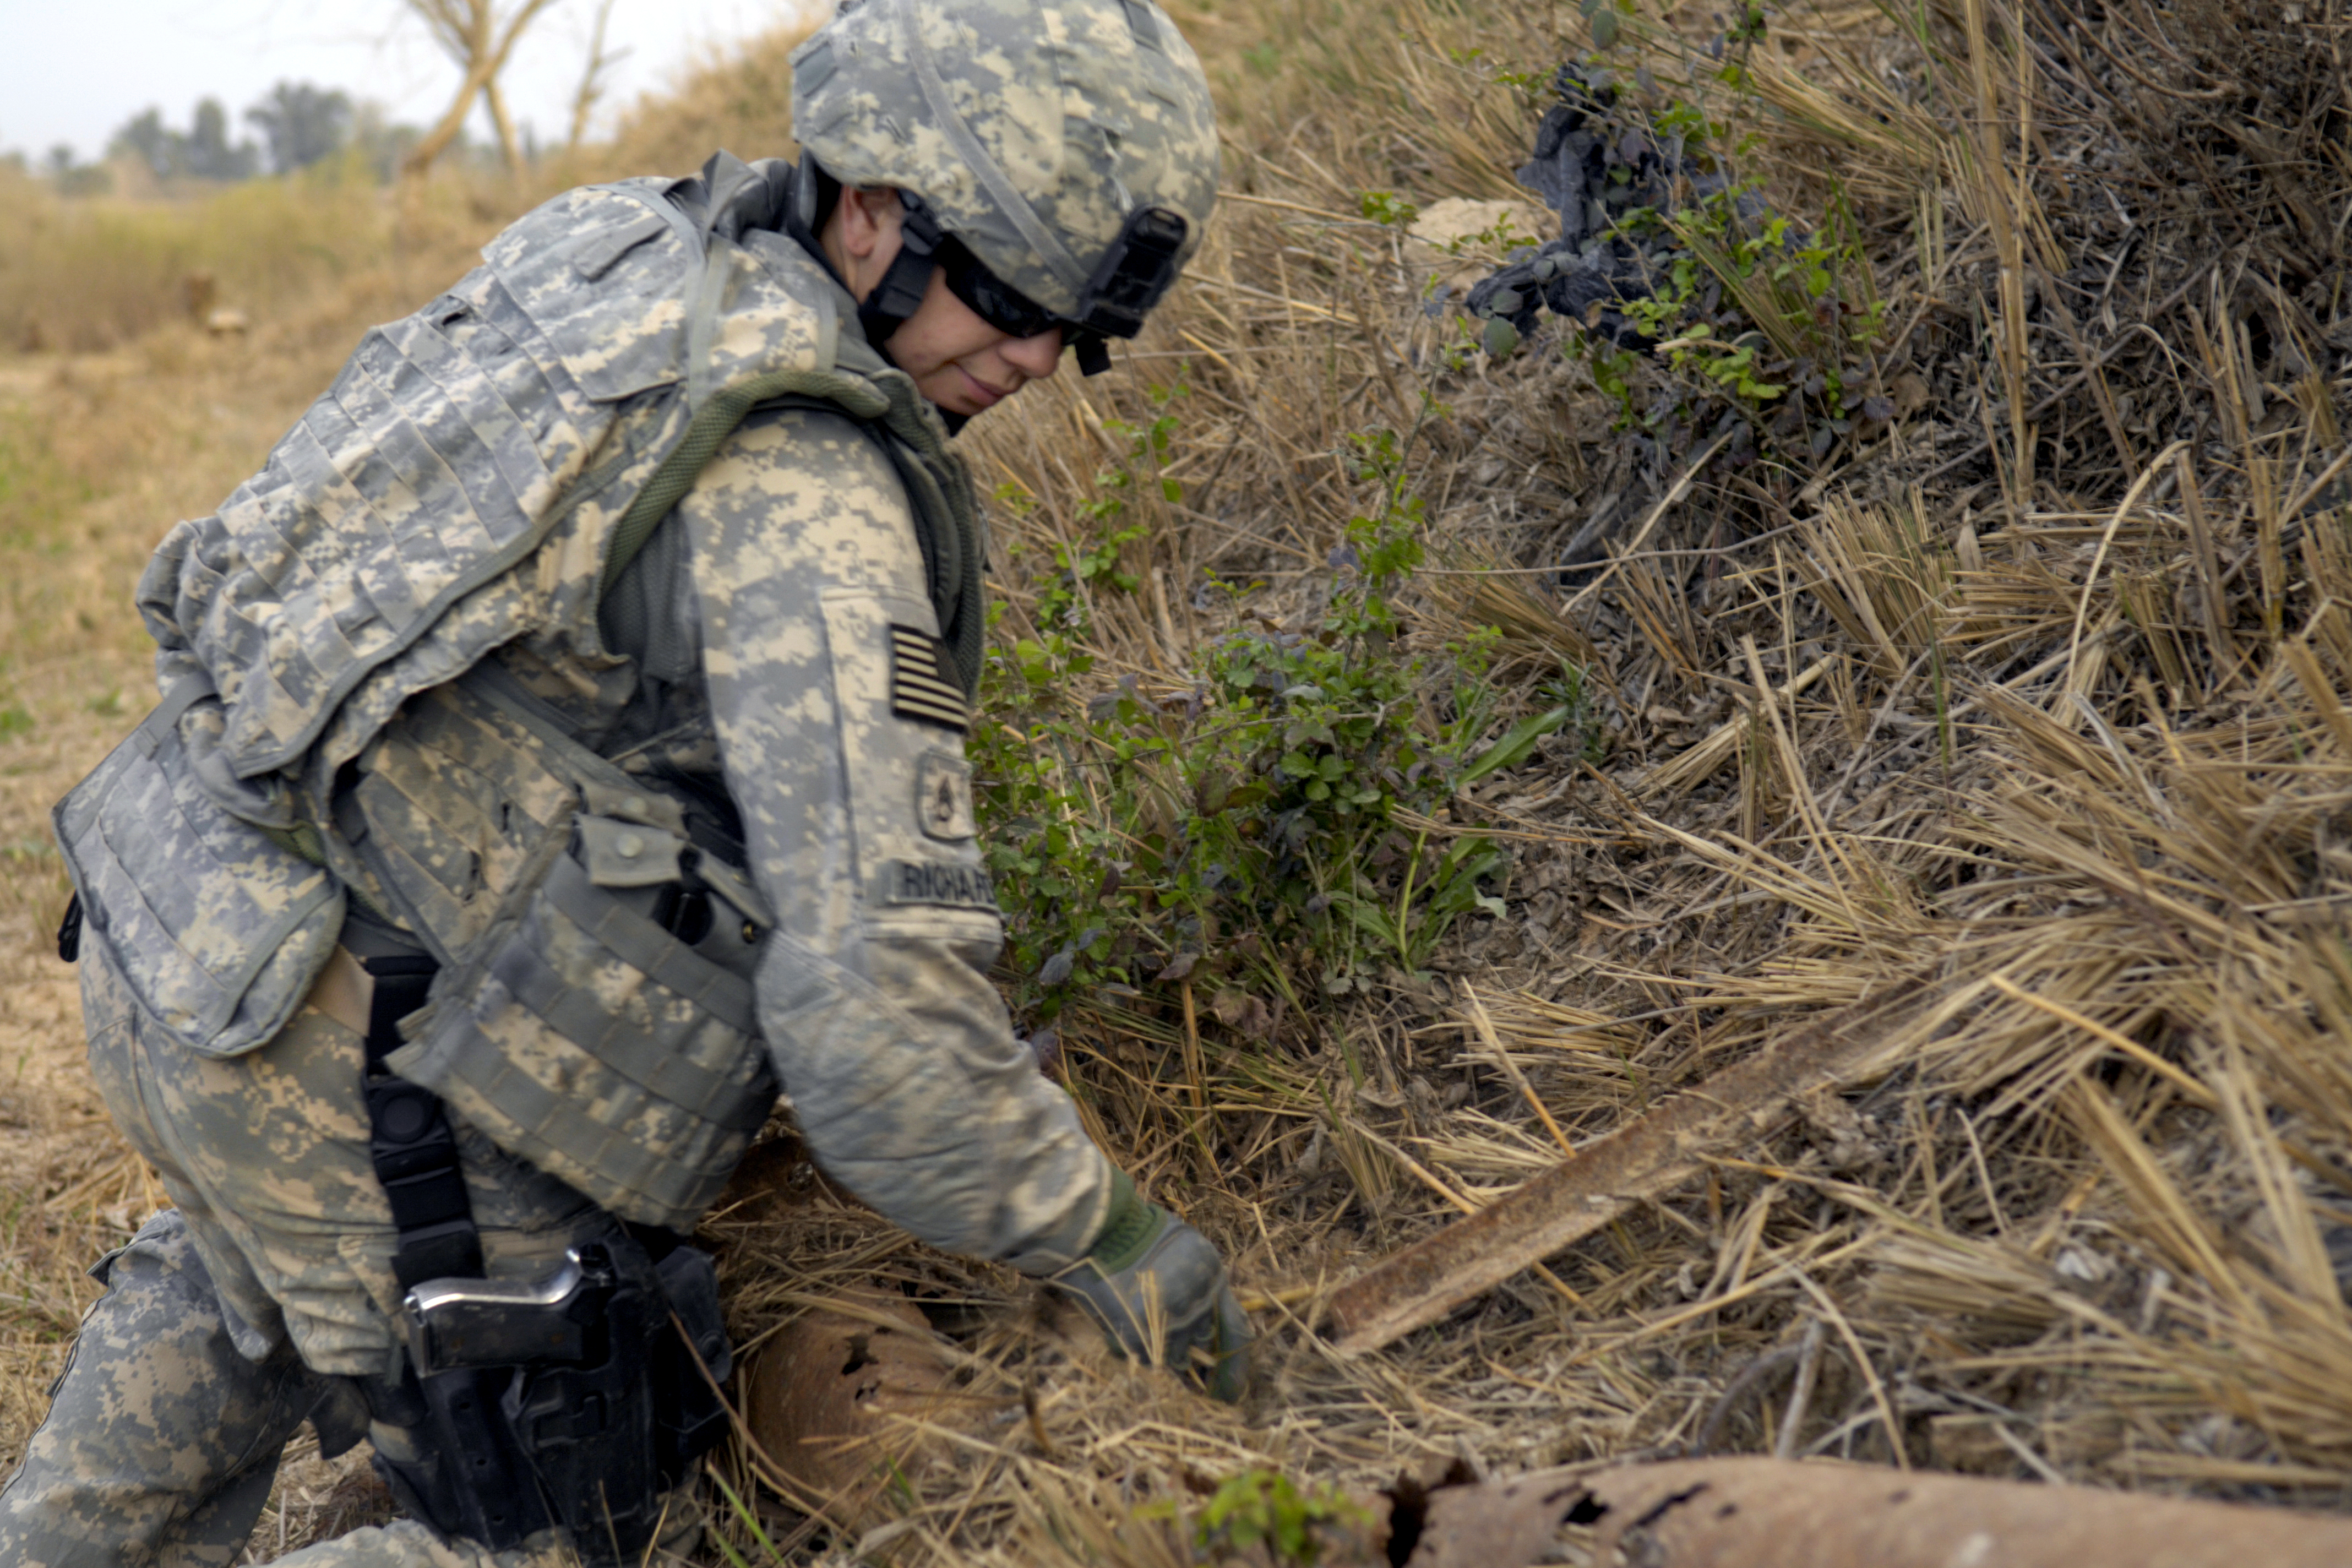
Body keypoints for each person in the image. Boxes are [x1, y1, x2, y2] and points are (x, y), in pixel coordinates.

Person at [2, 1, 1244, 1563]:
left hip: (177, 920)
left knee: (250, 1271)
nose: (1036, 357)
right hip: (355, 1065)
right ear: (872, 212)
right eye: (1004, 296)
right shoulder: (807, 500)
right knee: (568, 1536)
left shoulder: (610, 247)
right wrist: (1107, 1236)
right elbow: (875, 1024)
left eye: (1085, 330)